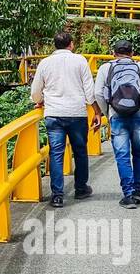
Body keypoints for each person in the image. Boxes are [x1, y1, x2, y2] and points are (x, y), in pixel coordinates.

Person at [30, 30, 95, 208]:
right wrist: (96, 110)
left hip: (54, 114)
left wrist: (39, 101)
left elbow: (36, 91)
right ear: (71, 44)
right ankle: (81, 188)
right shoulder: (80, 60)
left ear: (54, 45)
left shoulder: (45, 63)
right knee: (80, 152)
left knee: (56, 154)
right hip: (76, 114)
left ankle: (57, 195)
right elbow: (89, 90)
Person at [92, 41, 140, 208]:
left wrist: (106, 111)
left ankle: (128, 195)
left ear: (113, 53)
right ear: (132, 52)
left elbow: (97, 93)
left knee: (122, 155)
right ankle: (138, 190)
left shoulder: (105, 68)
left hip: (117, 115)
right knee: (139, 152)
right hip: (139, 114)